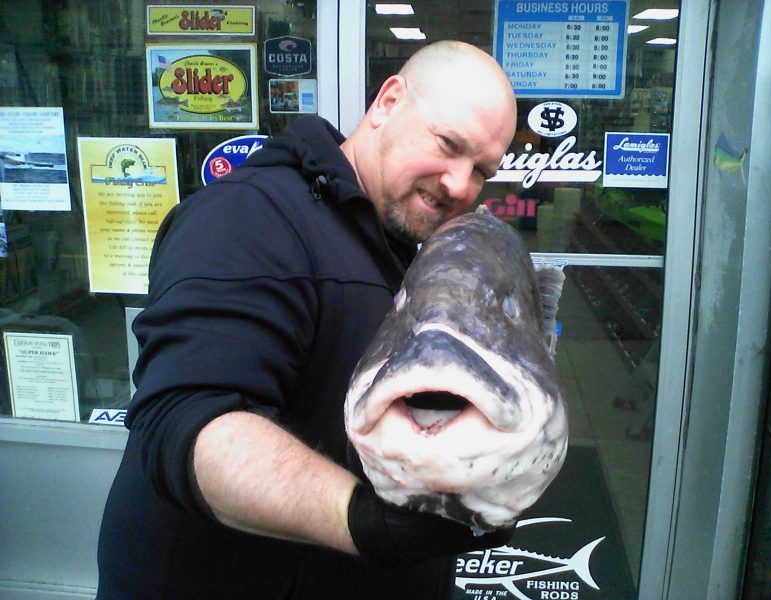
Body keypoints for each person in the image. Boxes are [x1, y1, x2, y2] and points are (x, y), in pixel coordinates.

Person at [97, 40, 517, 599]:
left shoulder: (399, 245)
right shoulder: (249, 216)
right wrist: (363, 520)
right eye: (448, 145)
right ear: (388, 102)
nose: (460, 184)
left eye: (482, 171)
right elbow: (191, 422)